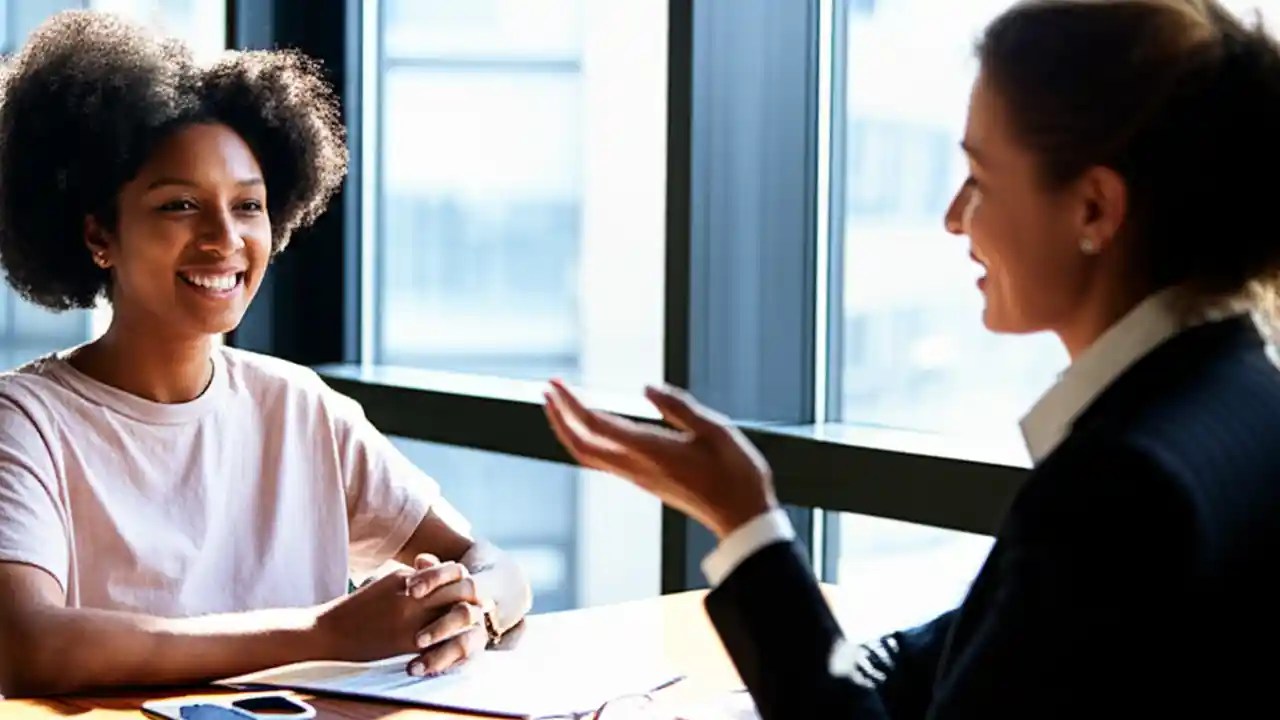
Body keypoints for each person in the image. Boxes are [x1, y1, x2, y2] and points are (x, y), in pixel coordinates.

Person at [544, 0, 1280, 716]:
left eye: (982, 181)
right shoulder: (1243, 402)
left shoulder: (1121, 486)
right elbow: (961, 655)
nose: (954, 217)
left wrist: (743, 521)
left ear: (1093, 209)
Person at [0, 11, 530, 698]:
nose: (225, 239)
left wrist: (470, 610)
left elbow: (494, 566)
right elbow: (27, 646)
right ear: (100, 235)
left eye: (248, 207)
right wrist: (322, 634)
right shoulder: (27, 421)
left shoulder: (299, 405)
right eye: (180, 206)